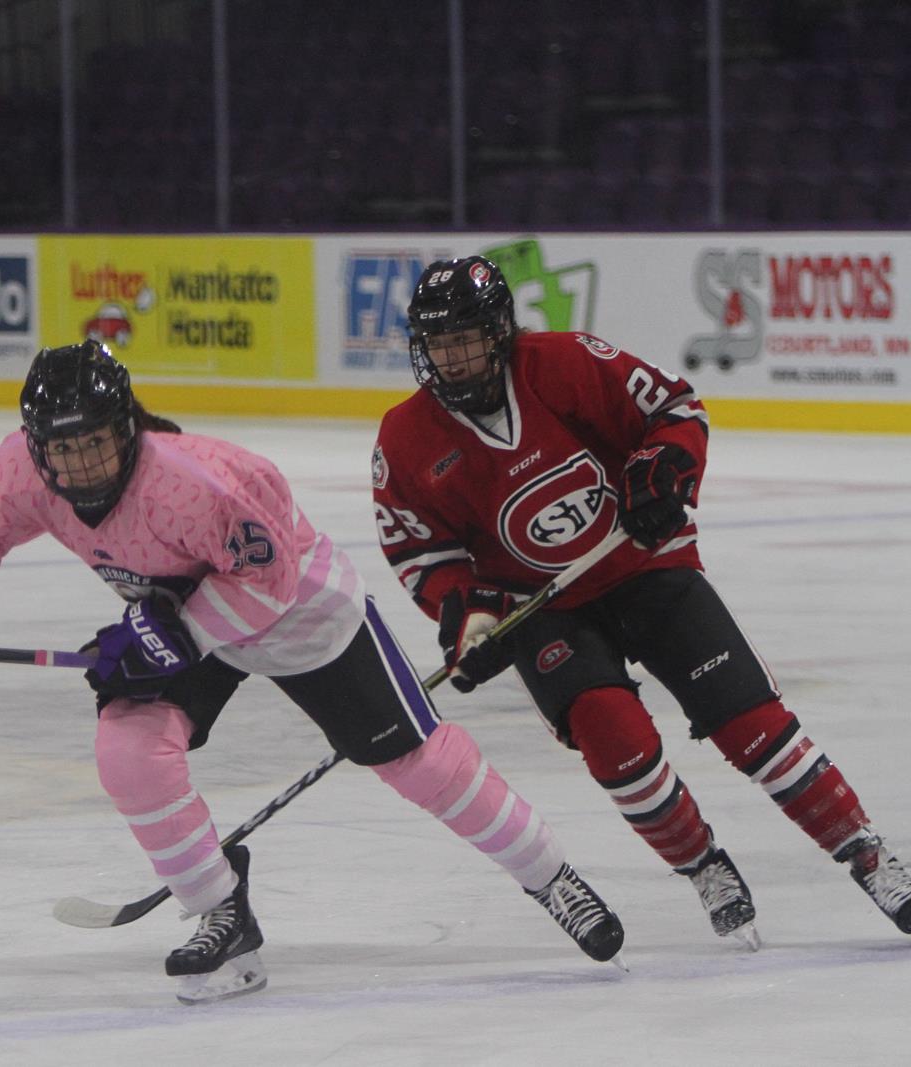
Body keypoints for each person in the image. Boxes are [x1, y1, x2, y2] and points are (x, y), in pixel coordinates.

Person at [0, 339, 626, 1005]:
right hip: (177, 614)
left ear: (128, 426)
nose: (80, 464)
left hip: (301, 615)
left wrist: (172, 635)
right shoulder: (26, 470)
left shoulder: (198, 480)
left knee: (419, 763)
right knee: (126, 749)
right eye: (63, 449)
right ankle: (222, 911)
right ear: (36, 447)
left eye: (96, 442)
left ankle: (550, 875)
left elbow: (266, 578)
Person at [371, 254, 911, 948]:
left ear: (500, 328)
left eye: (465, 338)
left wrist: (664, 472)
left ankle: (867, 853)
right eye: (438, 342)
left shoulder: (561, 364)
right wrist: (471, 616)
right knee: (611, 737)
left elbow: (675, 409)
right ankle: (701, 864)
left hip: (645, 564)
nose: (451, 356)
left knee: (750, 720)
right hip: (545, 605)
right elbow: (423, 554)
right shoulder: (406, 438)